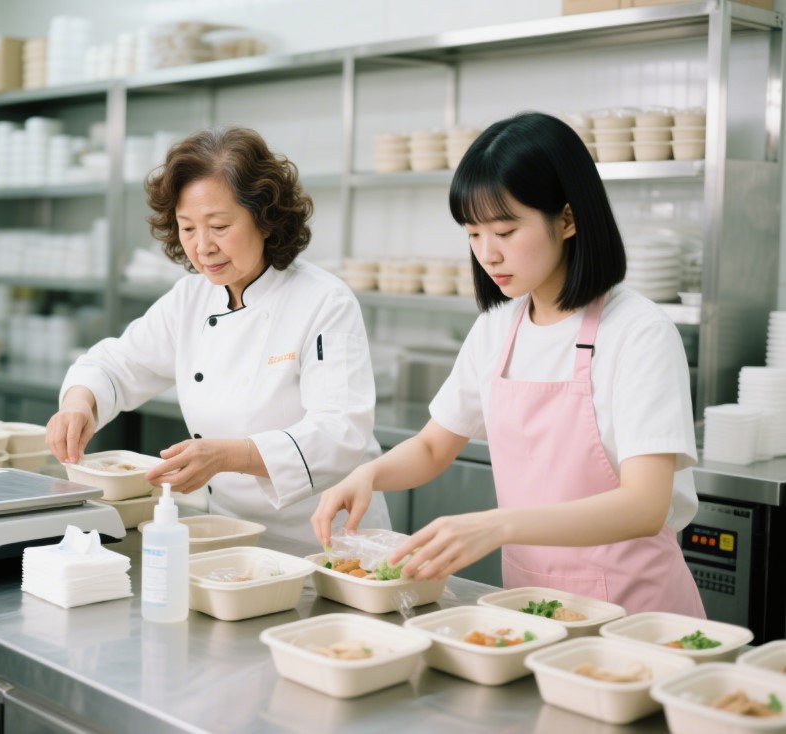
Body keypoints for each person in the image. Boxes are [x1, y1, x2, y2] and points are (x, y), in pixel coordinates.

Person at [311, 111, 704, 617]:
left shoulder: (639, 333)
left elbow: (644, 505)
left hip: (635, 614)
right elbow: (434, 445)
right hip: (528, 605)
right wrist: (368, 474)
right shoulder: (499, 327)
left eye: (505, 230)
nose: (487, 254)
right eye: (473, 234)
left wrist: (499, 524)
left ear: (566, 218)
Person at [47, 126, 390, 545]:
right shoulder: (191, 299)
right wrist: (79, 404)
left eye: (219, 226)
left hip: (328, 539)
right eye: (187, 228)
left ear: (265, 218)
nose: (203, 246)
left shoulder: (324, 301)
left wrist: (228, 455)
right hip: (233, 537)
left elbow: (341, 434)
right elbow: (116, 364)